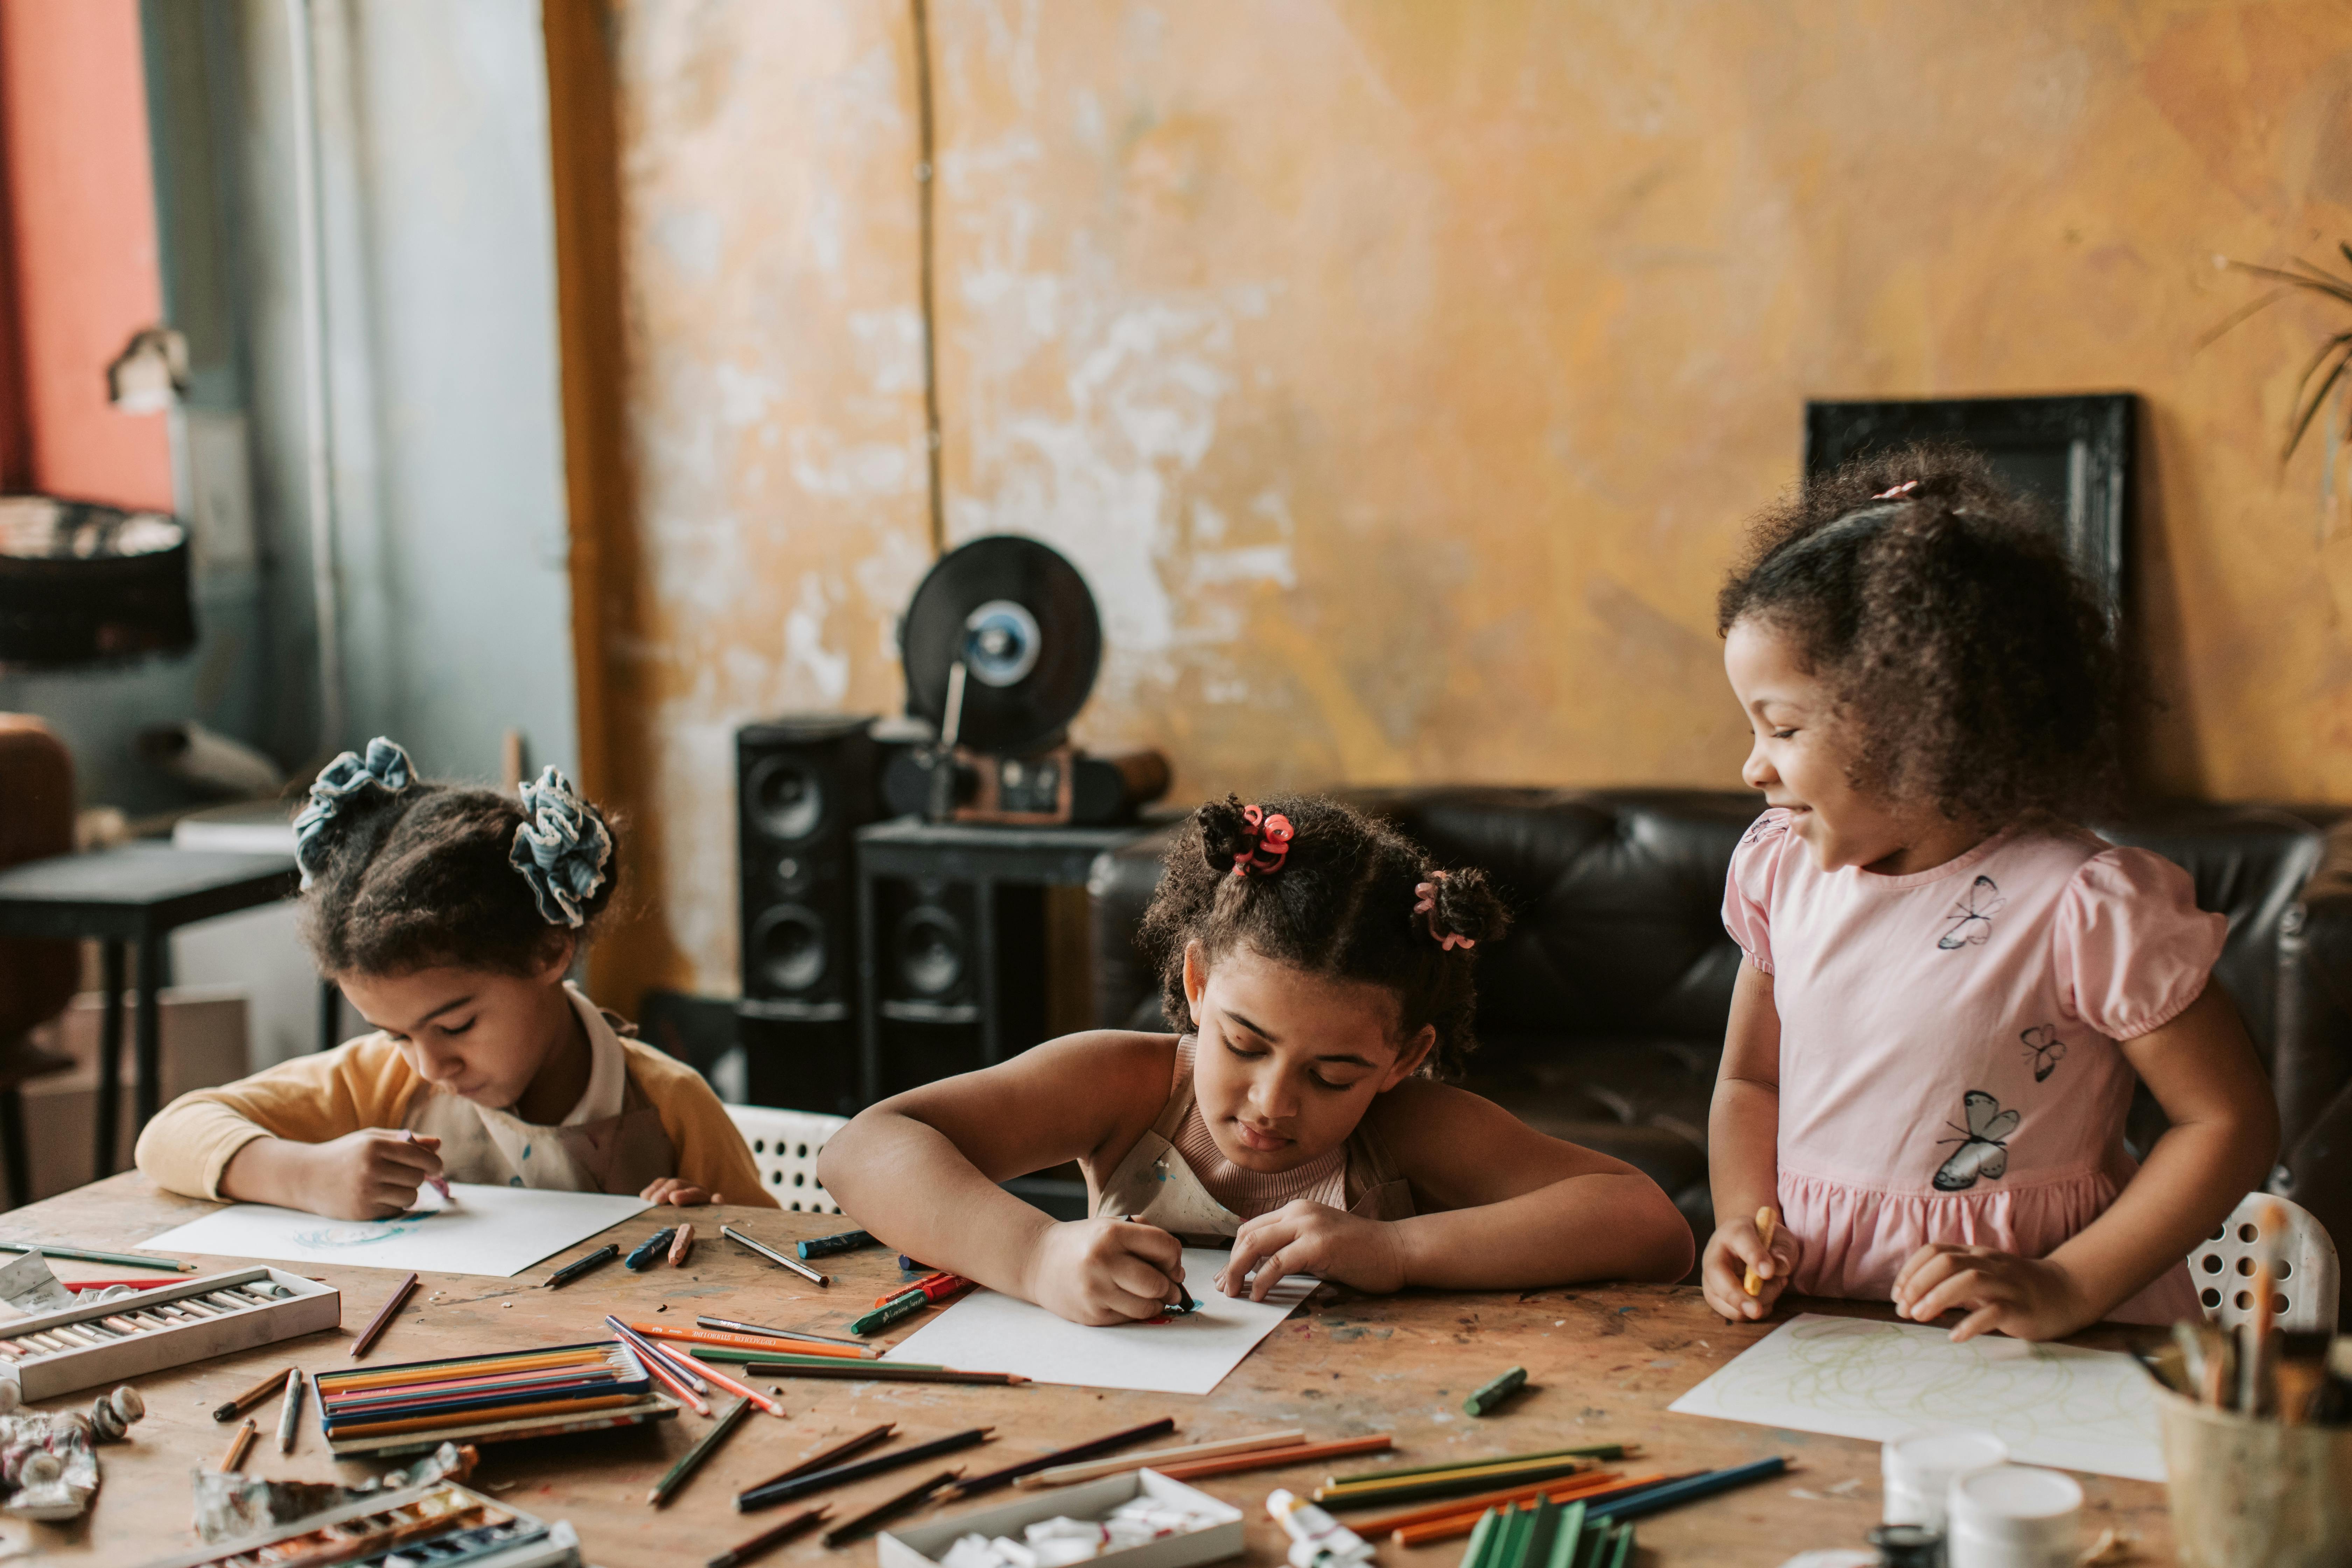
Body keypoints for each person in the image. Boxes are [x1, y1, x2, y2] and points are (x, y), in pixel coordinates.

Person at [1704, 450, 2278, 1340]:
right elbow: (1750, 1077)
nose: (1752, 766)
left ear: (1920, 723)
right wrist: (1742, 1218)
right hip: (1816, 1319)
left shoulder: (2086, 904)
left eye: (1782, 726)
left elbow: (2228, 1120)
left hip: (2040, 1336)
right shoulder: (1781, 872)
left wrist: (2065, 1283)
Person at [818, 794, 1694, 1325]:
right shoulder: (1123, 1087)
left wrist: (1395, 1250)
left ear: (1402, 1058)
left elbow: (1649, 1225)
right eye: (1243, 1044)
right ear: (1197, 984)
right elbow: (862, 1146)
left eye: (1333, 1074)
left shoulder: (1411, 1127)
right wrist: (1037, 1256)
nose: (1272, 1101)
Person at [135, 738, 769, 1219]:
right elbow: (169, 1136)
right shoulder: (379, 1084)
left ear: (550, 951)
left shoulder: (667, 1104)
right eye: (397, 1036)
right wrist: (303, 1175)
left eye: (456, 1025)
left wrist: (713, 1233)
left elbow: (785, 1266)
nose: (431, 1065)